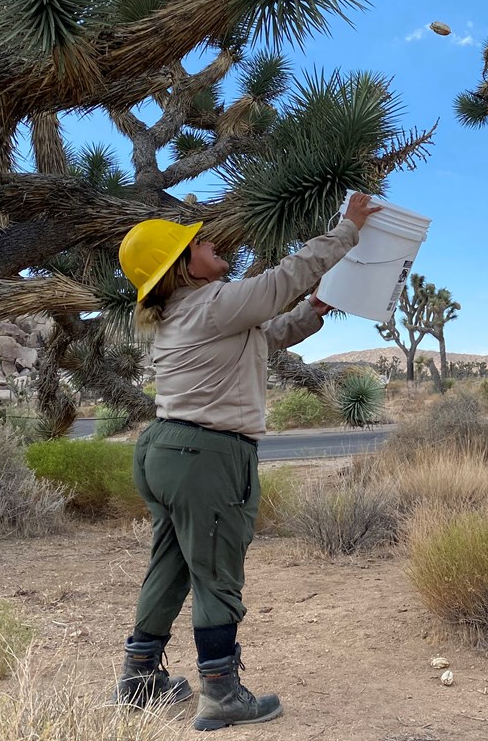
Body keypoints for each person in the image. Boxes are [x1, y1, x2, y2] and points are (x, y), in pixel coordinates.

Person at [112, 193, 381, 730]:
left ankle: (139, 678)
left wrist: (312, 312)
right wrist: (347, 229)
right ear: (183, 265)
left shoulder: (192, 312)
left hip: (166, 449)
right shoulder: (213, 303)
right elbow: (282, 280)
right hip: (206, 455)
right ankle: (221, 693)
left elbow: (265, 336)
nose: (212, 243)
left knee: (171, 563)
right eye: (199, 242)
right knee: (216, 571)